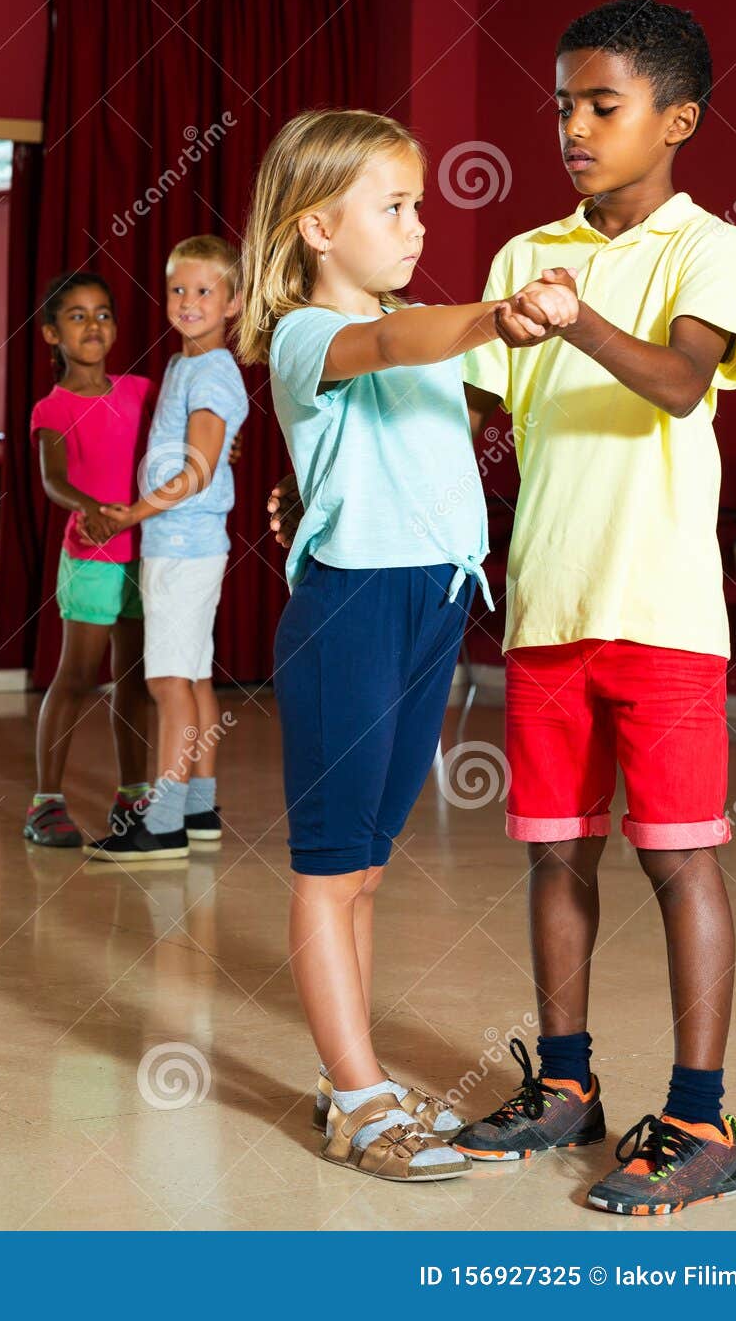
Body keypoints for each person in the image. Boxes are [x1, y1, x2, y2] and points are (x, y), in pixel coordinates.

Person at [450, 0, 736, 1217]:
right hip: (547, 610)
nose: (572, 125)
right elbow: (482, 421)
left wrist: (579, 321)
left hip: (664, 613)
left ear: (674, 121)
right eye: (563, 103)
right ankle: (565, 1084)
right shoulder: (522, 253)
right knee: (555, 851)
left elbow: (682, 383)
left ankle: (699, 1116)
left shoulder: (706, 242)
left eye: (601, 105)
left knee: (678, 862)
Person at [245, 107, 575, 1181]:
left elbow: (423, 360)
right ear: (314, 228)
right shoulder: (306, 335)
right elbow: (390, 344)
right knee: (329, 867)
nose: (417, 224)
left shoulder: (414, 321)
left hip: (432, 602)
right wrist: (493, 317)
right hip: (353, 609)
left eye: (419, 203)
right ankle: (355, 1102)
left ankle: (363, 1075)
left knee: (369, 870)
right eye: (392, 206)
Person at [87, 235, 248, 862]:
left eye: (205, 291)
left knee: (167, 682)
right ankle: (200, 806)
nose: (189, 301)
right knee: (196, 676)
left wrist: (133, 512)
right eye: (179, 289)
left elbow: (199, 469)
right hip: (186, 542)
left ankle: (165, 822)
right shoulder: (187, 366)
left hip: (182, 542)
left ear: (232, 302)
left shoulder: (210, 370)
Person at [20, 272, 154, 849]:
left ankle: (134, 796)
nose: (93, 325)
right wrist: (90, 506)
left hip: (146, 556)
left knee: (136, 682)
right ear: (52, 333)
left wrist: (220, 445)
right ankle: (46, 802)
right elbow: (54, 480)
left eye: (102, 314)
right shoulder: (52, 408)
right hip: (92, 558)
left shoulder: (142, 391)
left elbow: (184, 440)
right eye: (76, 316)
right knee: (77, 678)